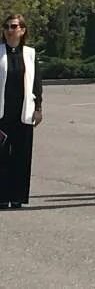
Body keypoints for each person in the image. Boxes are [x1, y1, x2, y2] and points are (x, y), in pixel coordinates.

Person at [0, 14, 42, 209]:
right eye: (7, 27)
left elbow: (36, 84)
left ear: (22, 30)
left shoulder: (30, 54)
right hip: (2, 114)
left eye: (14, 26)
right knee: (2, 156)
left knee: (21, 156)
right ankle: (2, 197)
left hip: (24, 112)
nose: (10, 30)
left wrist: (39, 108)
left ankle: (18, 197)